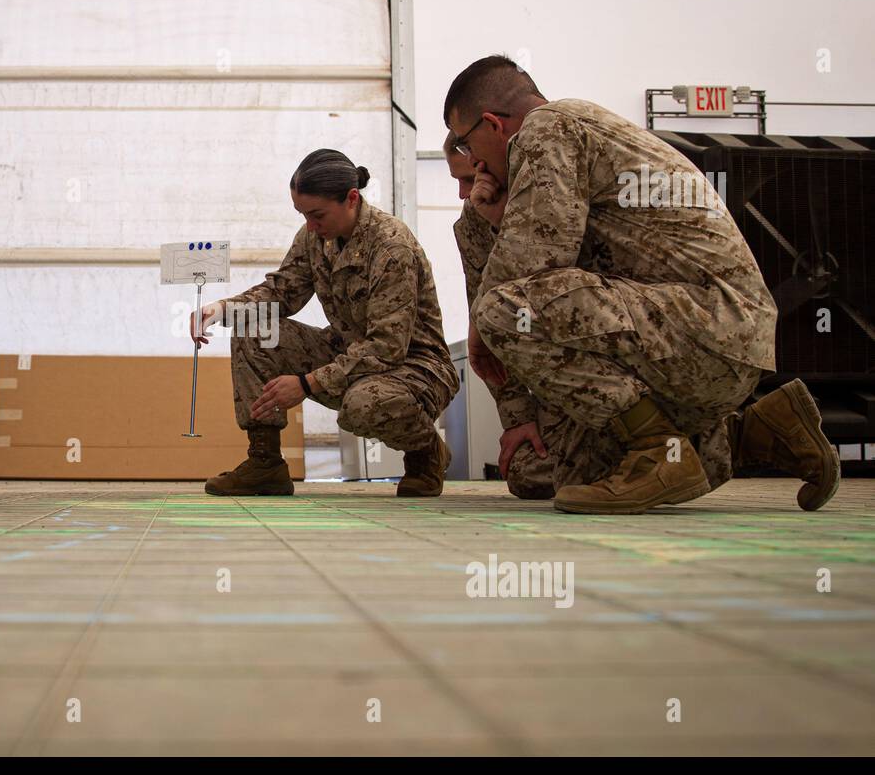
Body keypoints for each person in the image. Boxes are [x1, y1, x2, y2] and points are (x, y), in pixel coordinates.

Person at [445, 54, 839, 514]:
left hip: (712, 326)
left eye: (469, 147)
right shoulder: (526, 176)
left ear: (493, 124)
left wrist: (480, 323)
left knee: (502, 309)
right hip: (675, 339)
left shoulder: (550, 127)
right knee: (551, 473)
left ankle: (657, 453)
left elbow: (530, 270)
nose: (472, 169)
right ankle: (760, 431)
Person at [192, 149, 459, 497]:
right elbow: (282, 292)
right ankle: (265, 463)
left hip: (413, 367)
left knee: (363, 405)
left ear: (351, 199)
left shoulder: (391, 247)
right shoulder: (315, 235)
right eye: (303, 215)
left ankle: (426, 454)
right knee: (252, 326)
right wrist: (221, 309)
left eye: (317, 215)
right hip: (349, 353)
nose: (310, 225)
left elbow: (386, 348)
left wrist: (307, 383)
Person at [447, 130, 558, 499]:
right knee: (531, 476)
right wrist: (519, 419)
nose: (464, 193)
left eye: (468, 179)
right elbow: (488, 324)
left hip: (595, 359)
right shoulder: (472, 224)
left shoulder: (554, 194)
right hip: (546, 381)